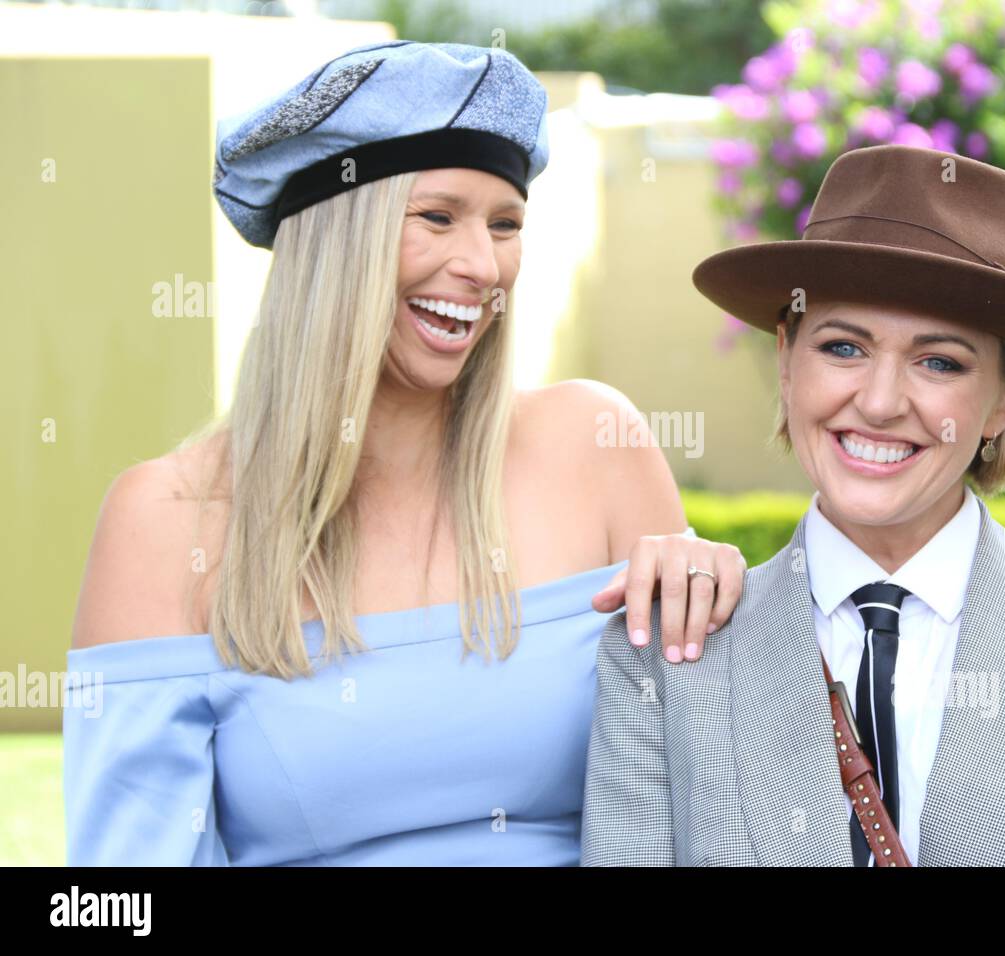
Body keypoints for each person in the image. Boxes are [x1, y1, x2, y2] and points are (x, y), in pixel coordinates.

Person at [63, 40, 746, 866]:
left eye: (505, 225)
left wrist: (722, 598)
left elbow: (707, 803)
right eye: (437, 217)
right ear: (335, 242)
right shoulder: (165, 520)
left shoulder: (595, 445)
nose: (482, 264)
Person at [581, 144, 1005, 866]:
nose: (877, 401)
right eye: (842, 348)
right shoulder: (668, 652)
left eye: (939, 362)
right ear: (786, 358)